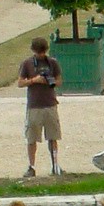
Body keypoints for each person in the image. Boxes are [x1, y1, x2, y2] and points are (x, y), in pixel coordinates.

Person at [18, 36, 63, 178]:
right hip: (34, 105)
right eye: (39, 53)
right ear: (33, 51)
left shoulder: (52, 63)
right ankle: (31, 166)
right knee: (32, 138)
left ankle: (55, 165)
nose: (41, 55)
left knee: (53, 136)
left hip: (50, 103)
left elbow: (59, 81)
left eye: (43, 52)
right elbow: (20, 83)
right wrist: (34, 80)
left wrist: (51, 82)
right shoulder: (27, 64)